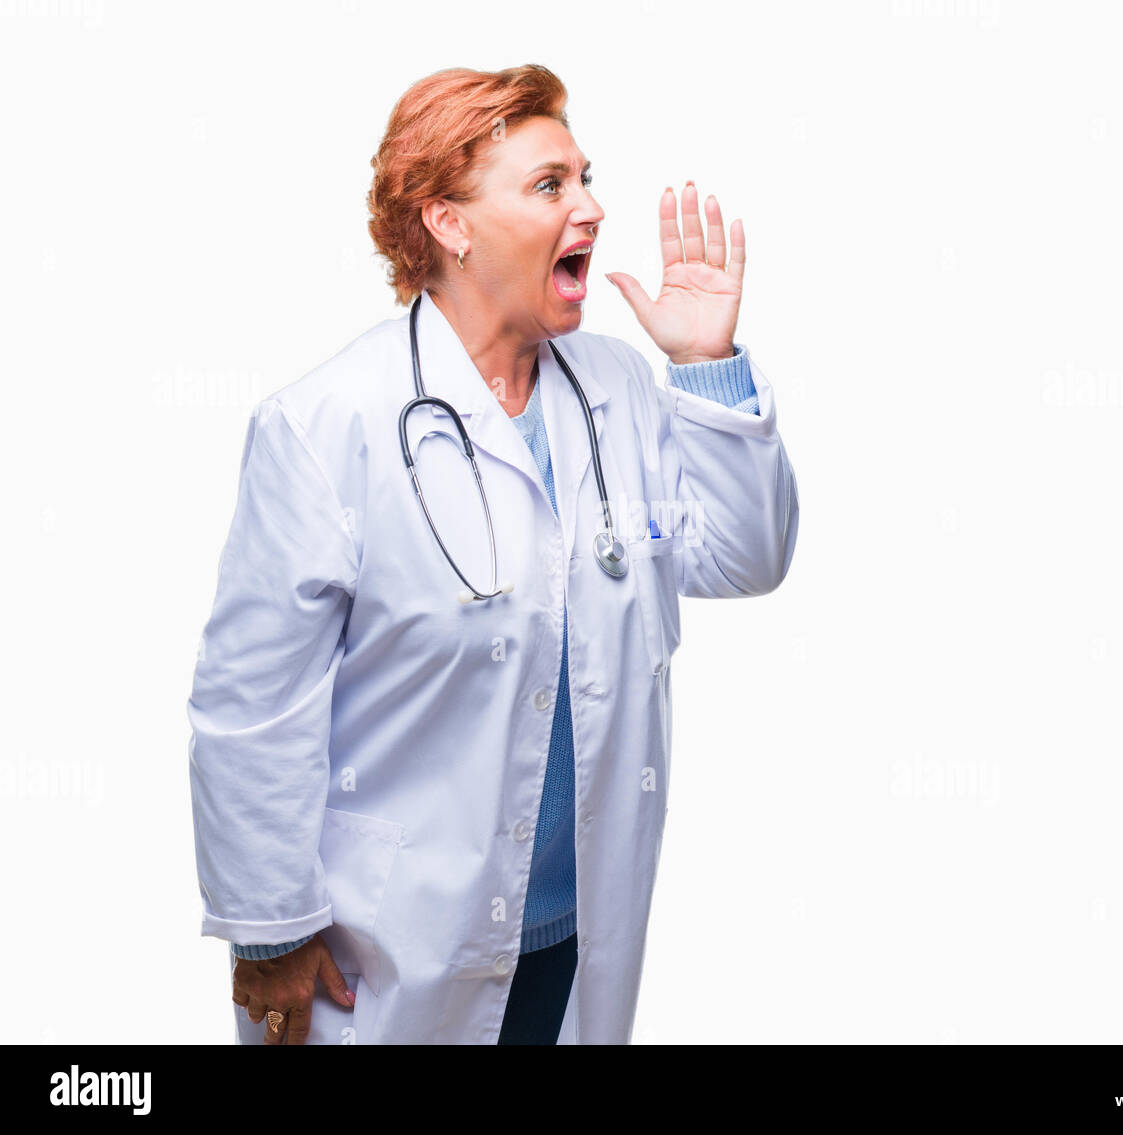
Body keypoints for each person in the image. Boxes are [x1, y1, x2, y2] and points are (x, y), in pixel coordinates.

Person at [187, 63, 799, 1045]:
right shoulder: (327, 424)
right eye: (550, 185)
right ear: (449, 224)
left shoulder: (618, 389)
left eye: (586, 176)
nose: (593, 208)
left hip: (572, 929)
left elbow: (743, 556)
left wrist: (705, 366)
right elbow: (251, 707)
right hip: (388, 948)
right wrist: (268, 928)